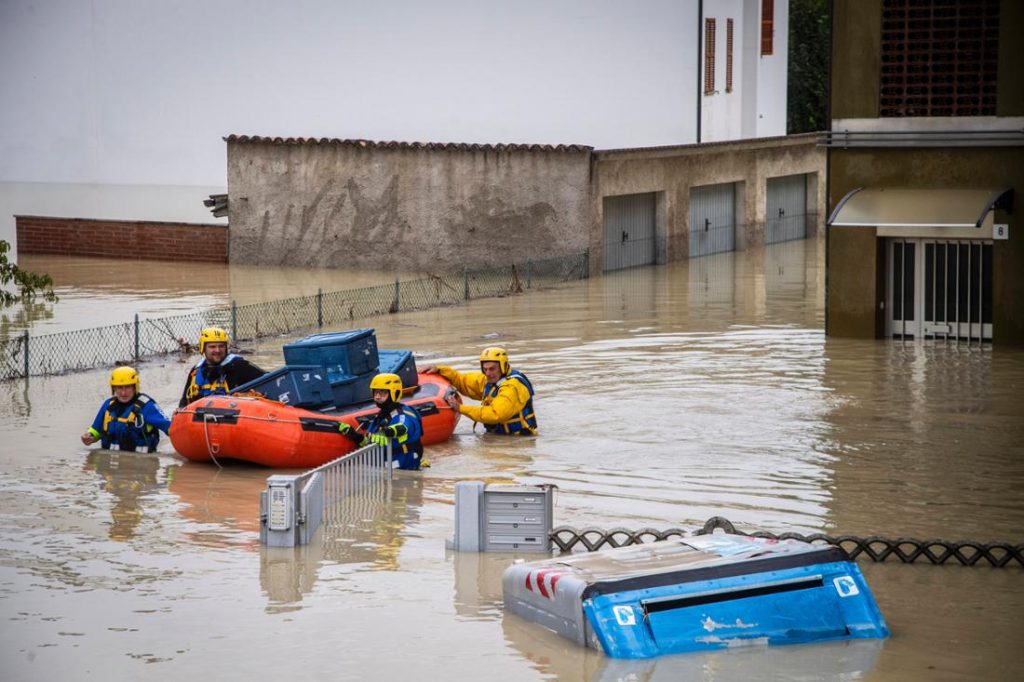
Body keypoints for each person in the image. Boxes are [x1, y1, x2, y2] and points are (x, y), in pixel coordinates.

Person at [423, 346, 536, 435]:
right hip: (498, 435)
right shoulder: (489, 380)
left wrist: (460, 408)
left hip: (517, 439)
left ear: (503, 366)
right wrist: (439, 369)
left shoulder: (513, 387)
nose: (488, 373)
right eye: (485, 369)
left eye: (492, 369)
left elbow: (495, 414)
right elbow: (461, 381)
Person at [337, 373, 425, 470]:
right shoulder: (380, 417)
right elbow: (371, 443)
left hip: (406, 471)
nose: (377, 397)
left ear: (394, 393)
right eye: (375, 393)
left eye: (382, 393)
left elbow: (402, 427)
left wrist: (385, 432)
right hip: (385, 469)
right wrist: (356, 436)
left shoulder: (403, 414)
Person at [81, 367, 171, 452]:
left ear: (134, 387)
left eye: (128, 387)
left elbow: (170, 429)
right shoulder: (108, 406)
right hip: (110, 461)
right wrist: (90, 436)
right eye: (119, 388)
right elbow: (96, 429)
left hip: (141, 463)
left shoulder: (147, 406)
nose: (123, 393)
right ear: (114, 388)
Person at [179, 326, 265, 407]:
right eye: (212, 347)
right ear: (203, 348)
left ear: (226, 348)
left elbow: (266, 379)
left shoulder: (239, 365)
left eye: (221, 346)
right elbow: (184, 402)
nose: (217, 350)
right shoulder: (196, 371)